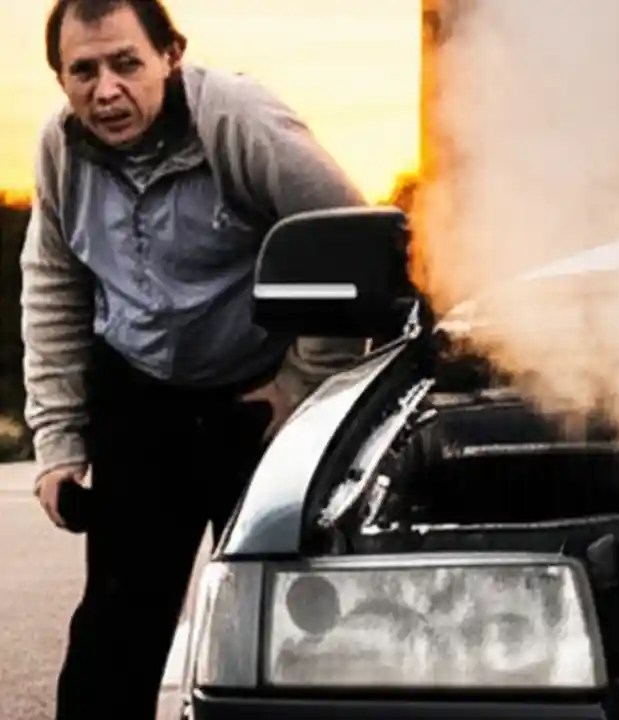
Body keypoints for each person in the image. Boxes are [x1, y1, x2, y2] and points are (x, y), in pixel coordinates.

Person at [20, 0, 369, 717]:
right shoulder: (59, 151)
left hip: (257, 398)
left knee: (286, 624)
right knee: (112, 637)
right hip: (141, 395)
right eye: (82, 72)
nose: (105, 91)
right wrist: (58, 442)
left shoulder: (241, 121)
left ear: (170, 55)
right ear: (60, 78)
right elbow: (53, 291)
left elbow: (347, 237)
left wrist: (305, 379)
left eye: (125, 63)